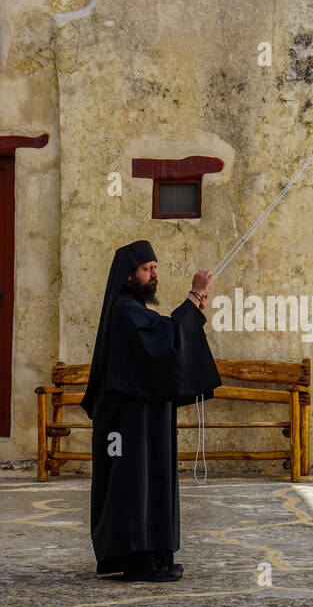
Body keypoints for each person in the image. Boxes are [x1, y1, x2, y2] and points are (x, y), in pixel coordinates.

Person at [81, 240, 222, 582]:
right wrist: (193, 297)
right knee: (134, 484)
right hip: (128, 423)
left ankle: (156, 558)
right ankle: (140, 562)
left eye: (155, 267)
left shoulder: (133, 310)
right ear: (129, 275)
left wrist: (191, 309)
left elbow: (164, 336)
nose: (153, 274)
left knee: (150, 482)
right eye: (147, 269)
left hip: (144, 418)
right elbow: (164, 342)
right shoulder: (124, 311)